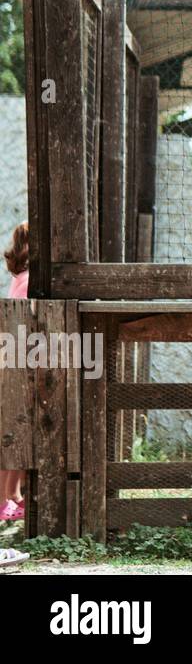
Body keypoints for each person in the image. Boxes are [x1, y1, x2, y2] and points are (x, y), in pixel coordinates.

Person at [2, 222, 28, 522]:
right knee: (11, 434)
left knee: (19, 432)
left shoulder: (21, 276)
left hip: (19, 359)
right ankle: (5, 498)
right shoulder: (27, 279)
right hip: (16, 361)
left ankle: (14, 495)